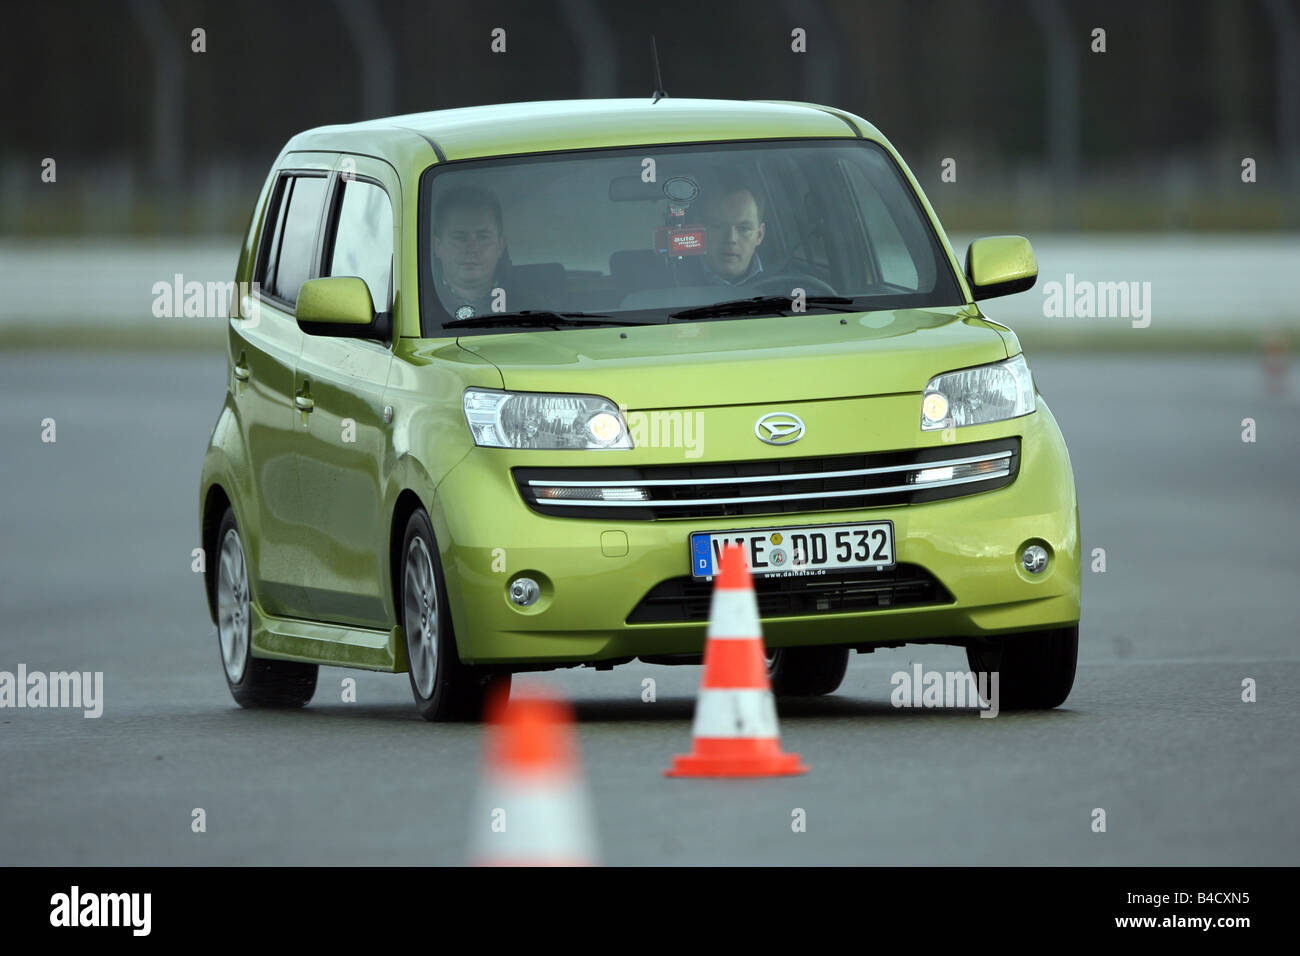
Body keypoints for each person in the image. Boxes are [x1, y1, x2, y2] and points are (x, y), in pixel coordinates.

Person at [432, 186, 514, 319]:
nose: (472, 248)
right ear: (438, 246)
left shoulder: (532, 308)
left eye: (483, 237)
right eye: (460, 237)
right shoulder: (415, 308)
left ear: (500, 245)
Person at [692, 183, 767, 286]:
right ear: (698, 231)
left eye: (743, 229)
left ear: (759, 235)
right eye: (718, 226)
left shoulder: (787, 282)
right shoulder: (673, 277)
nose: (731, 238)